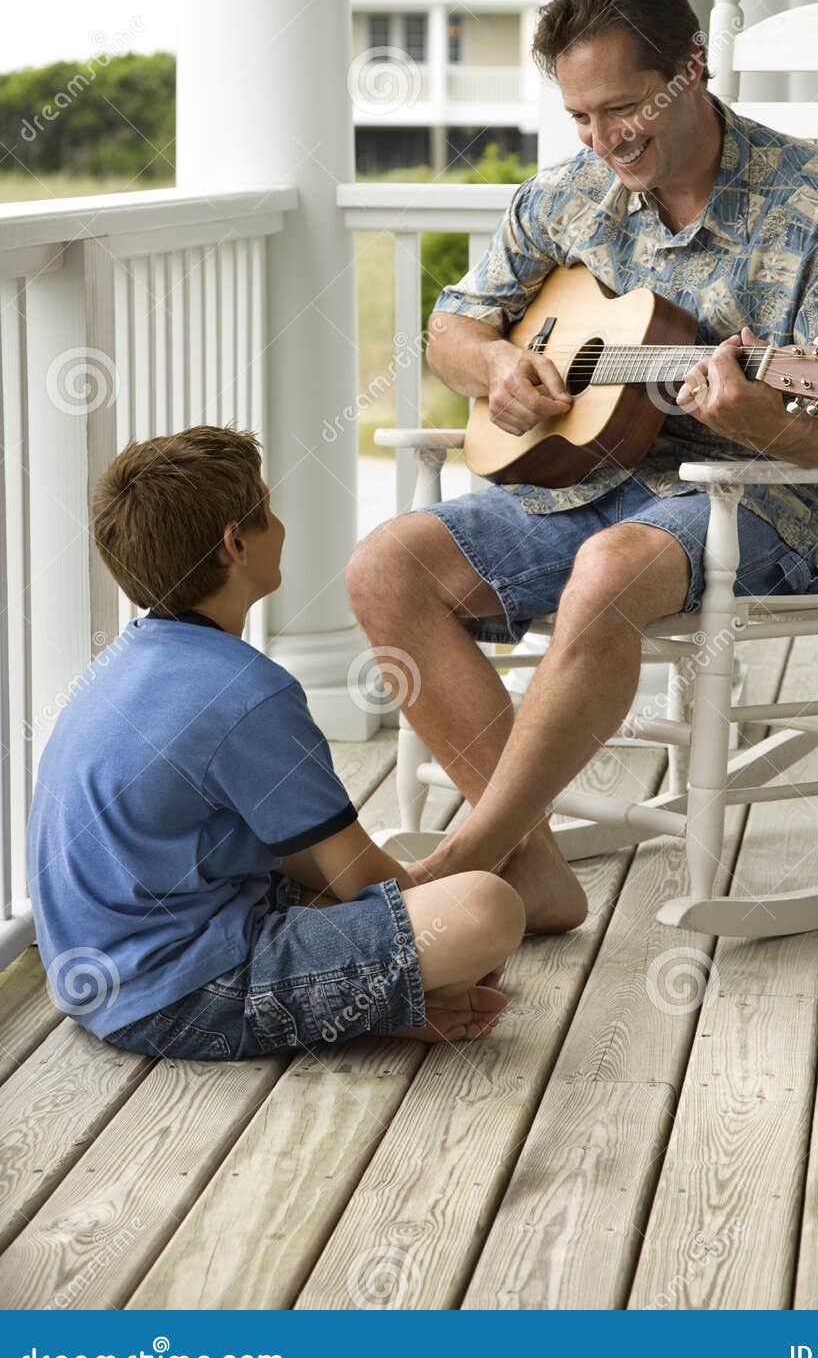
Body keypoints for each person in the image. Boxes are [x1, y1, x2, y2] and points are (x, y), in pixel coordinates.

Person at [347, 0, 818, 936]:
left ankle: (465, 853)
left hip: (762, 505)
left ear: (689, 68)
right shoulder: (566, 197)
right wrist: (495, 373)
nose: (603, 138)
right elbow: (451, 326)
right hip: (588, 484)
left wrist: (760, 419)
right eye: (579, 117)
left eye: (623, 108)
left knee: (606, 570)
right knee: (386, 567)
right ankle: (534, 865)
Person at [26, 426, 523, 1059]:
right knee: (486, 909)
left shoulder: (126, 661)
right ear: (235, 543)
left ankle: (379, 998)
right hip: (179, 997)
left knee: (394, 900)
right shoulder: (245, 692)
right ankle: (372, 1006)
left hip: (99, 979)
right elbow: (360, 878)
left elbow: (301, 856)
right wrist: (445, 948)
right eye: (268, 507)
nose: (281, 524)